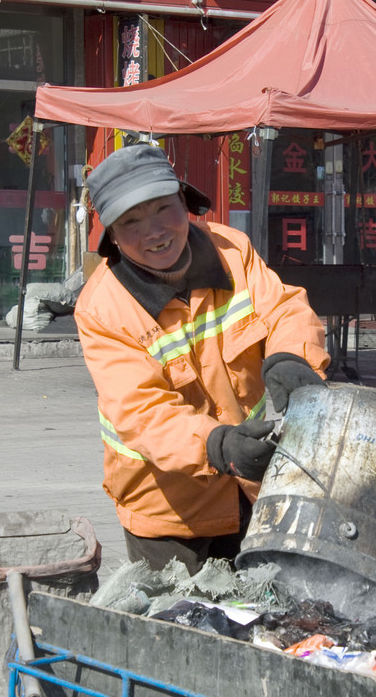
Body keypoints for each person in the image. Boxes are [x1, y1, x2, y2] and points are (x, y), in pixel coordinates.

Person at [75, 143, 330, 575]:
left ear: (186, 202)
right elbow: (142, 414)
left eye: (163, 209)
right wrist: (218, 444)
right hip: (167, 512)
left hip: (251, 488)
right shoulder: (102, 308)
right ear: (112, 237)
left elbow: (284, 309)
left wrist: (292, 357)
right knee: (183, 629)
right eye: (131, 222)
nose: (154, 231)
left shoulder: (232, 250)